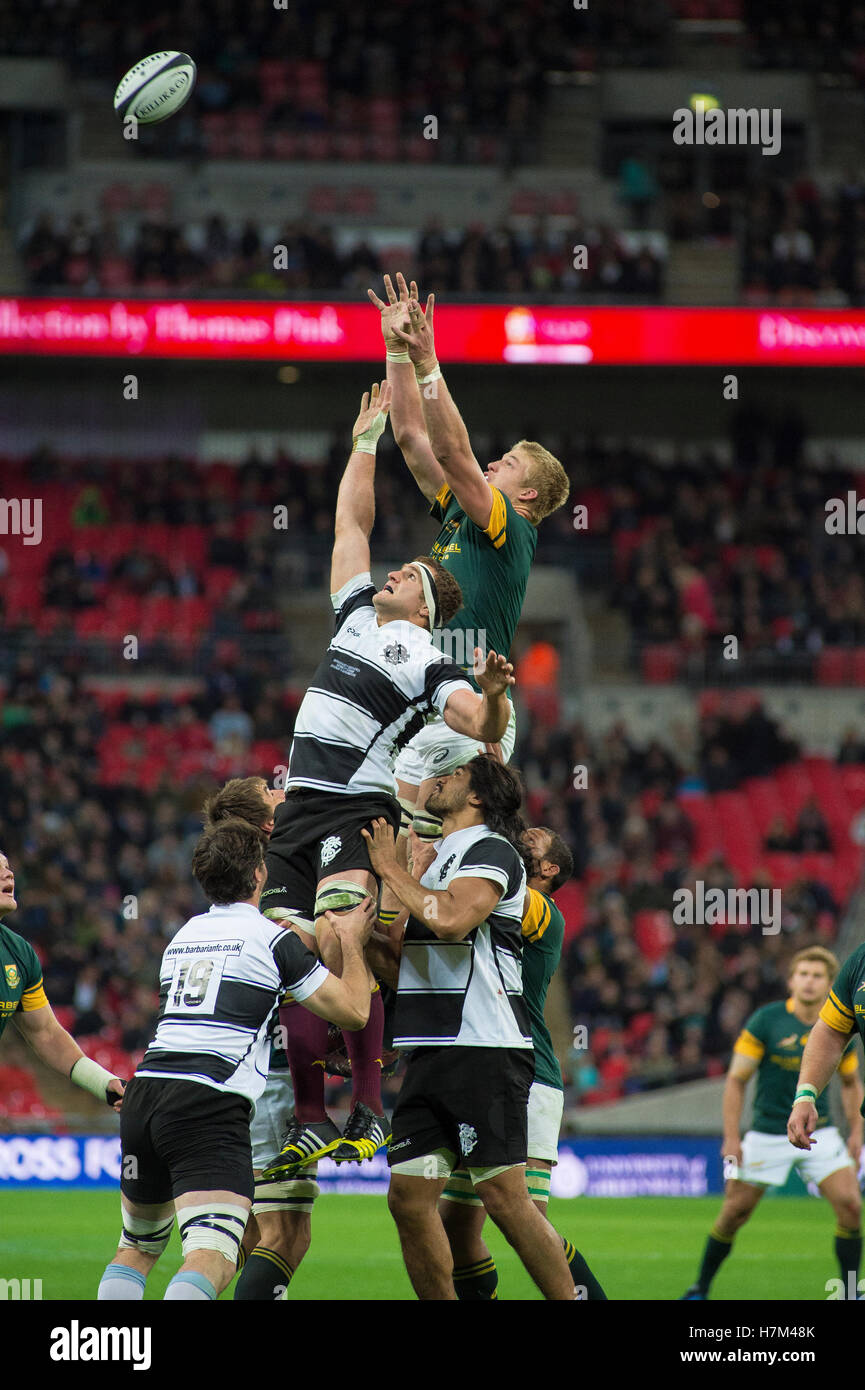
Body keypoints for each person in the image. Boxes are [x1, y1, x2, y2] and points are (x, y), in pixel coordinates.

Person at [261, 381, 515, 1174]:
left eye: (405, 575)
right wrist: (361, 442)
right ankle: (311, 1118)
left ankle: (368, 1105)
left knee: (342, 943)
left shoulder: (426, 659)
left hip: (355, 810)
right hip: (300, 808)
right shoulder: (355, 616)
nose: (391, 574)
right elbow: (350, 521)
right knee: (285, 956)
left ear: (426, 604)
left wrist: (499, 696)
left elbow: (478, 728)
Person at [96, 818, 374, 1302]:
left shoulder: (182, 937)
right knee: (212, 1255)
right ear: (260, 875)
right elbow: (353, 1011)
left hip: (145, 1093)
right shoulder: (272, 939)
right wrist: (350, 937)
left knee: (137, 1249)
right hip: (208, 1101)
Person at [362, 755, 582, 1301]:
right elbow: (397, 962)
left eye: (455, 774)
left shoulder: (492, 850)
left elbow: (453, 921)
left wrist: (391, 870)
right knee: (409, 1200)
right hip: (429, 1049)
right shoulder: (435, 861)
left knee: (507, 1199)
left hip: (485, 1046)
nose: (439, 778)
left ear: (479, 796)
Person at [437, 825, 607, 1300]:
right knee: (455, 1223)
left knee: (526, 1215)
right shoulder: (487, 889)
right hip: (478, 1069)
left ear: (549, 869)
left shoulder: (542, 910)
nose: (521, 836)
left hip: (530, 1073)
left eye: (533, 838)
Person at [682, 947, 862, 1301]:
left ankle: (851, 1292)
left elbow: (851, 1084)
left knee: (851, 1206)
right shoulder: (766, 1020)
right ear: (791, 980)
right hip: (766, 1133)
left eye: (818, 976)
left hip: (820, 1131)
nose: (810, 982)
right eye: (804, 974)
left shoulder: (842, 1023)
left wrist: (857, 1132)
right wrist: (732, 1138)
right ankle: (700, 1288)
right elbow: (736, 1080)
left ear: (830, 983)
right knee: (734, 1213)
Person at [0, 850, 126, 1111]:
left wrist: (102, 1082)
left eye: (8, 867)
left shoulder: (19, 954)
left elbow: (45, 1033)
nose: (8, 873)